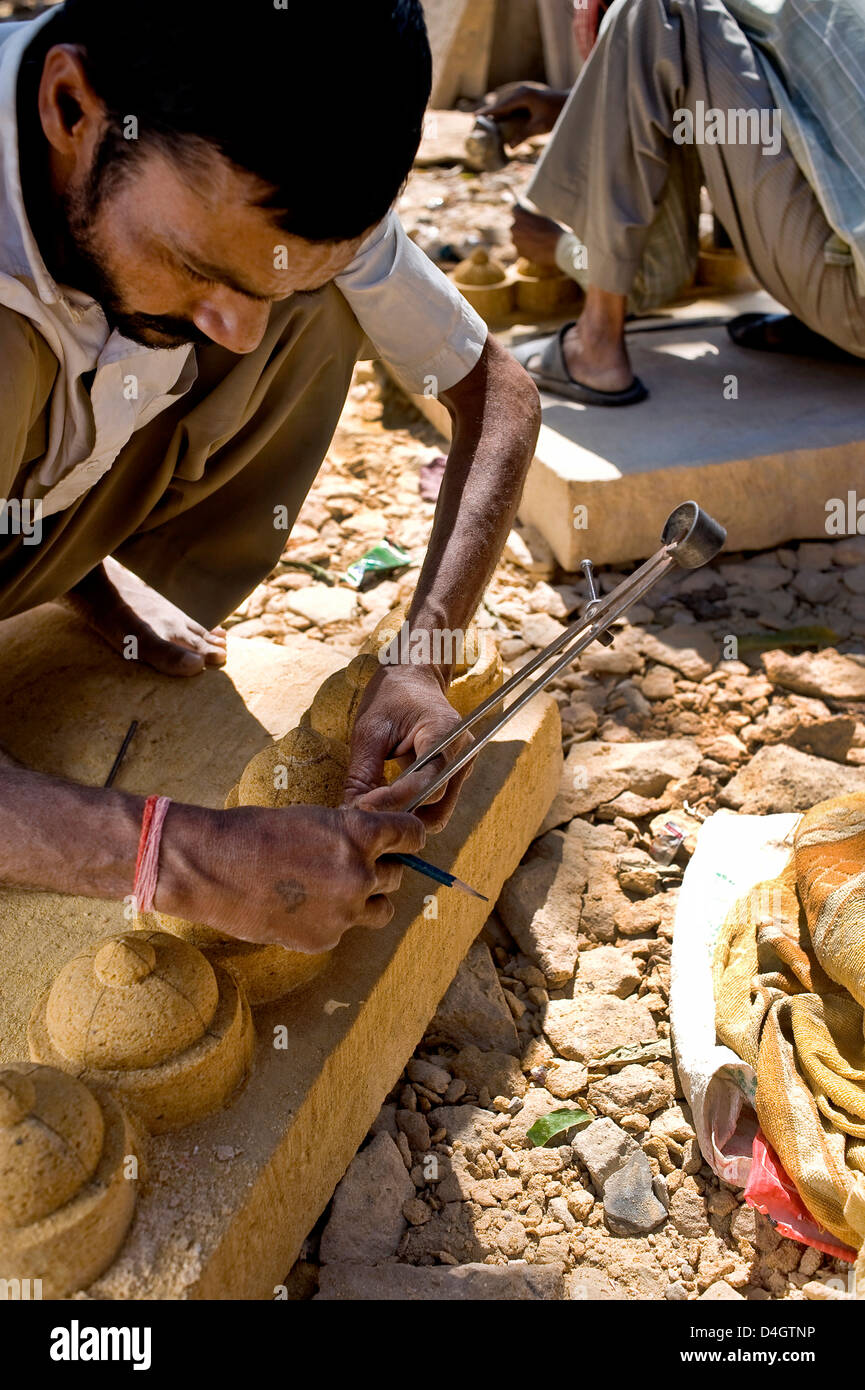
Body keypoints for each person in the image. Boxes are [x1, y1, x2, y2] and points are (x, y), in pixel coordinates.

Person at [0, 1, 541, 952]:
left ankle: (71, 559)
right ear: (70, 107)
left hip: (33, 502)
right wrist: (183, 857)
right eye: (192, 264)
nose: (241, 337)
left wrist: (423, 655)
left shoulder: (255, 167)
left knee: (309, 297)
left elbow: (493, 393)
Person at [482, 0, 865, 405]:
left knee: (657, 8)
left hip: (853, 308)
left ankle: (596, 344)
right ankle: (824, 326)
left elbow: (656, 277)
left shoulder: (684, 20)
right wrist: (574, 108)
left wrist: (561, 249)